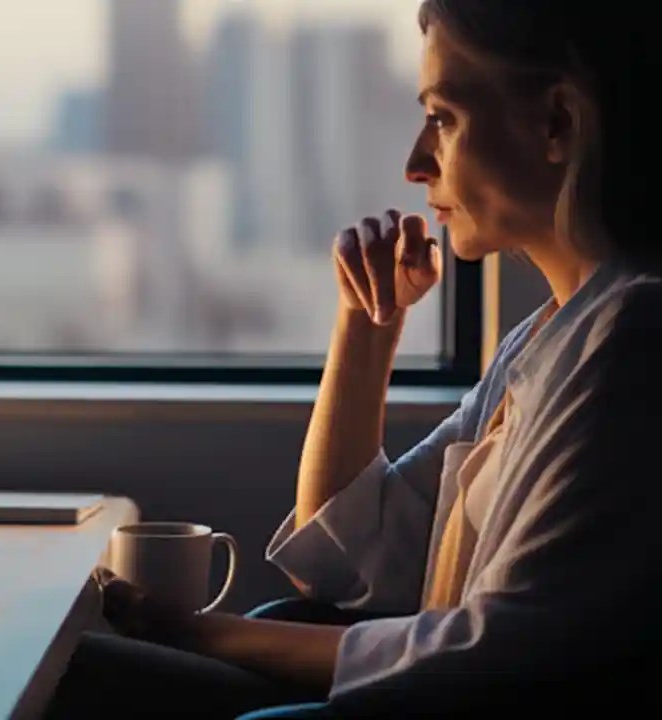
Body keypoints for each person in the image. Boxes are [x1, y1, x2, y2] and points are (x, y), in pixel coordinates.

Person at [46, 1, 662, 717]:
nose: (416, 164)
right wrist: (368, 326)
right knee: (71, 666)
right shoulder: (548, 338)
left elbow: (494, 651)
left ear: (556, 122)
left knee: (69, 677)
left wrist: (198, 632)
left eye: (443, 118)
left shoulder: (632, 336)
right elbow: (349, 562)